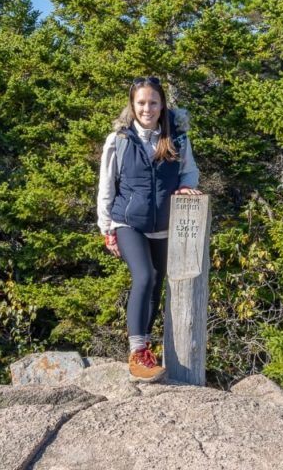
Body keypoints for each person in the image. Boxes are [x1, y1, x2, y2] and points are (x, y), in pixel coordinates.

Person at [97, 77, 202, 382]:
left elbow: (189, 171)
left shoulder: (177, 139)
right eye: (141, 102)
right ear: (132, 105)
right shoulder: (119, 140)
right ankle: (137, 352)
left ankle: (144, 348)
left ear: (162, 104)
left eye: (153, 102)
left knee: (156, 283)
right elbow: (107, 186)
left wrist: (186, 187)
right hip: (128, 222)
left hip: (164, 225)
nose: (147, 108)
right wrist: (106, 227)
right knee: (143, 276)